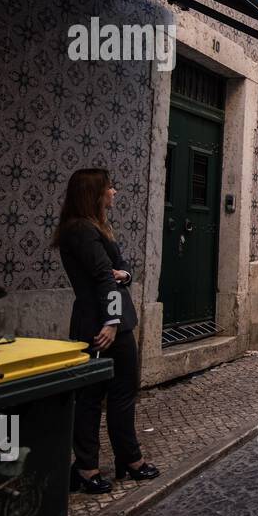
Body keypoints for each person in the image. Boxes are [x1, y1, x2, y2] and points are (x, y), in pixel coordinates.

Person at [55, 169, 159, 494]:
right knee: (91, 397)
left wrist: (125, 276)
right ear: (94, 193)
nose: (114, 192)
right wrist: (112, 322)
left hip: (113, 320)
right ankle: (87, 468)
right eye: (109, 187)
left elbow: (122, 269)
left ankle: (127, 458)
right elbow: (102, 277)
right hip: (99, 323)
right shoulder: (80, 230)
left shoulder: (98, 227)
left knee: (122, 393)